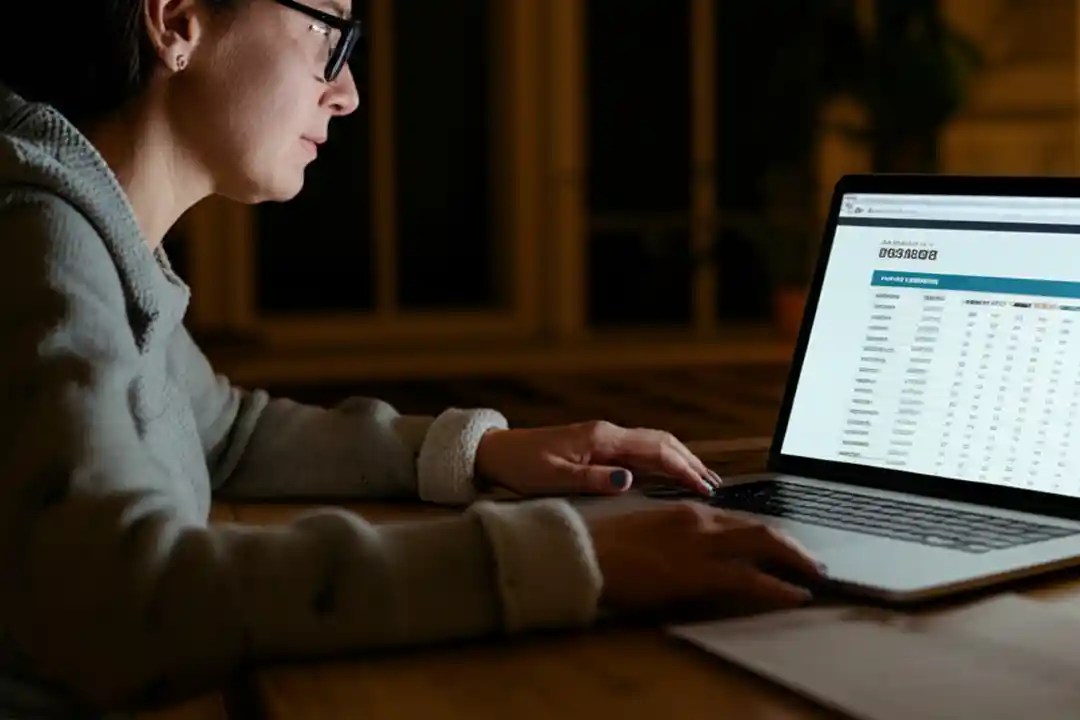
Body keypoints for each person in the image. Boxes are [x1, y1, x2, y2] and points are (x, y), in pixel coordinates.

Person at [0, 0, 824, 715]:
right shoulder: (35, 246)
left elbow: (228, 432)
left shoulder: (98, 239)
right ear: (177, 21)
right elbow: (119, 597)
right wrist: (580, 558)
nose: (349, 91)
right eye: (330, 34)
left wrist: (487, 451)